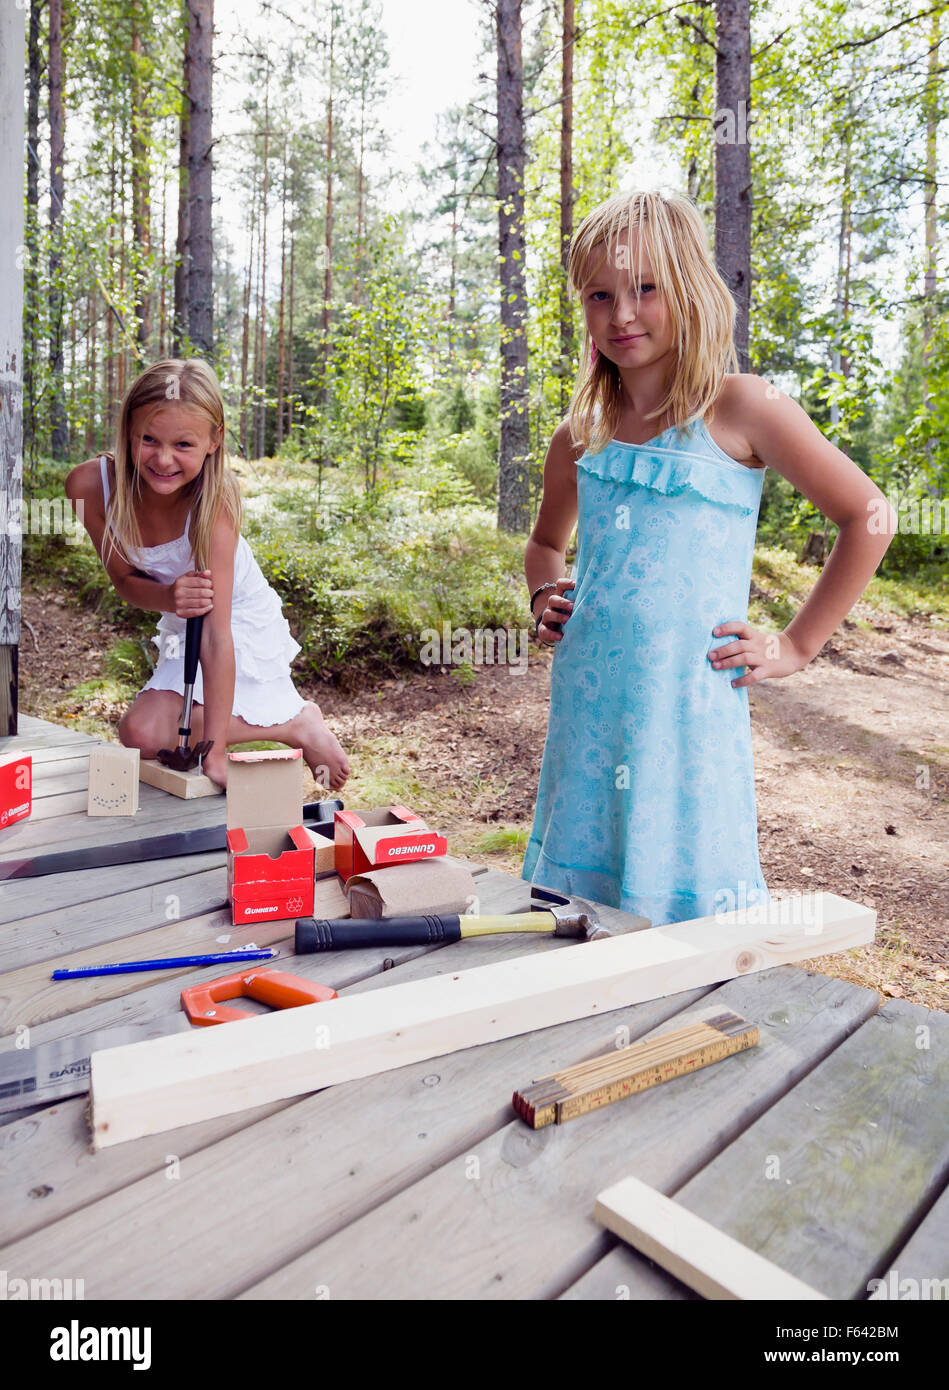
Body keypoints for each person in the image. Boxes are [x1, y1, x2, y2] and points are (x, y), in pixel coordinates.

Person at [523, 190, 894, 925]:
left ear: (688, 288)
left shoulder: (743, 407)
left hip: (688, 704)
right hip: (589, 711)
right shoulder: (578, 434)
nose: (621, 314)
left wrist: (795, 642)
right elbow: (543, 545)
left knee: (686, 919)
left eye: (644, 289)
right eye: (599, 296)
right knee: (579, 918)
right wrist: (542, 596)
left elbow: (868, 516)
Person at [65, 357, 350, 792]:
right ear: (127, 430)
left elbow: (217, 636)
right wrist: (170, 599)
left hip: (234, 620)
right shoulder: (90, 487)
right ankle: (286, 720)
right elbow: (123, 580)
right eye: (148, 439)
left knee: (173, 733)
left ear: (214, 440)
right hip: (182, 617)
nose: (162, 459)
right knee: (138, 735)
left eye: (183, 444)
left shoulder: (215, 501)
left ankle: (297, 723)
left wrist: (214, 754)